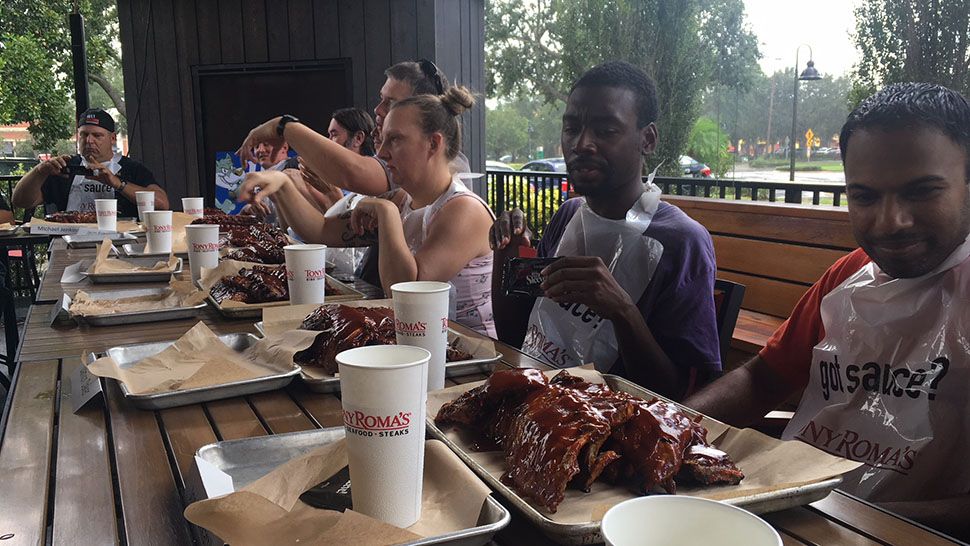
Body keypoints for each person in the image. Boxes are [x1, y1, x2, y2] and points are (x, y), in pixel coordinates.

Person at [685, 82, 970, 540]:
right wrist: (673, 426)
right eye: (865, 196)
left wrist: (842, 518)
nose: (890, 221)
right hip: (790, 514)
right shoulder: (849, 273)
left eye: (921, 192)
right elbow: (762, 378)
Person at [489, 61, 720, 400]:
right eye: (571, 129)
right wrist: (507, 261)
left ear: (648, 139)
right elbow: (517, 338)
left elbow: (680, 398)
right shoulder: (568, 215)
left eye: (605, 130)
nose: (582, 144)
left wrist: (622, 311)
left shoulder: (683, 242)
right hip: (538, 407)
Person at [237, 86, 496, 337]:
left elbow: (405, 294)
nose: (382, 152)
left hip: (470, 359)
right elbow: (321, 231)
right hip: (419, 347)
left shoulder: (463, 209)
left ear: (433, 144)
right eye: (383, 140)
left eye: (395, 139)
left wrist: (386, 213)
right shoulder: (403, 199)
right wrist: (282, 185)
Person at [236, 59, 466, 199]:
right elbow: (324, 230)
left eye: (392, 103)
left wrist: (283, 126)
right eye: (381, 99)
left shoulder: (448, 170)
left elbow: (350, 172)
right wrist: (282, 186)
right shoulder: (405, 192)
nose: (378, 109)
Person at [12, 109, 168, 216]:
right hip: (69, 242)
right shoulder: (64, 167)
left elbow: (162, 203)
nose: (89, 141)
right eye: (84, 135)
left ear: (112, 138)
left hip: (120, 242)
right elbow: (20, 201)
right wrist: (40, 171)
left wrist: (118, 184)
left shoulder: (132, 169)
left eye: (97, 135)